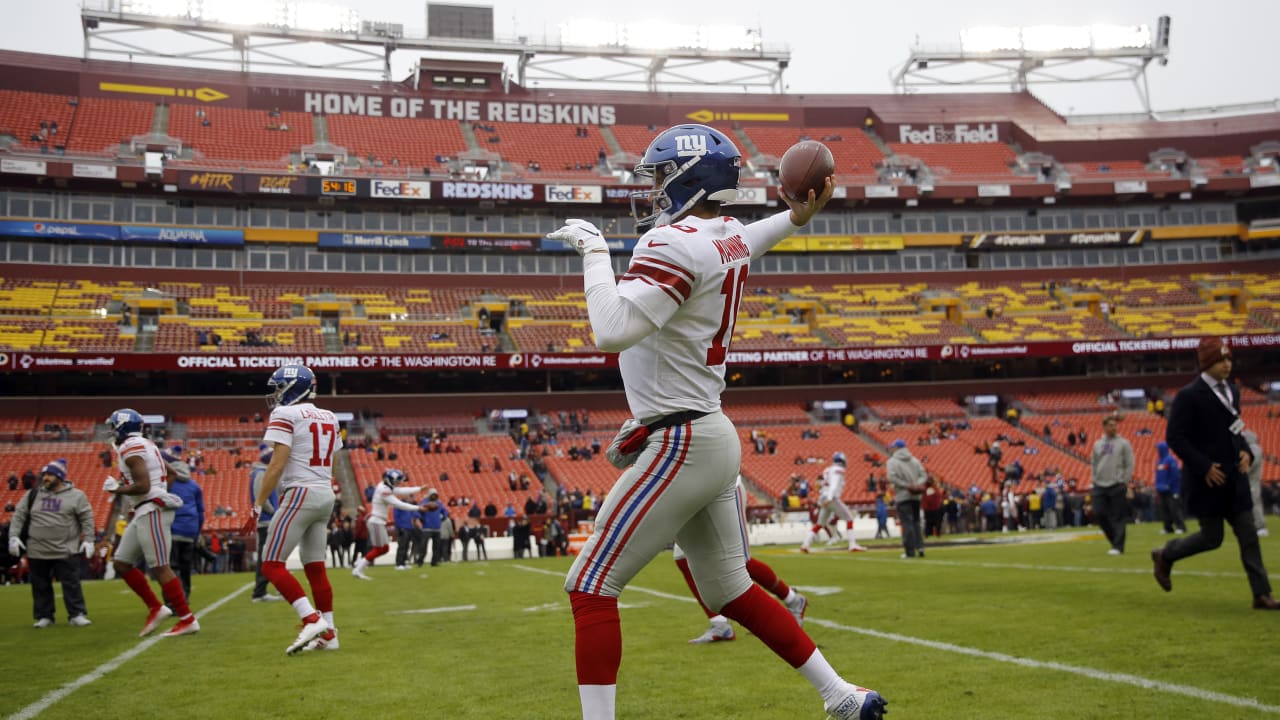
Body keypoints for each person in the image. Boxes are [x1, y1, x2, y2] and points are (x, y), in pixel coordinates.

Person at [547, 123, 886, 720]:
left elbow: (611, 330)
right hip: (705, 431)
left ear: (686, 176)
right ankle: (842, 694)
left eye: (658, 174)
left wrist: (594, 252)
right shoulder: (723, 235)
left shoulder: (671, 244)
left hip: (682, 440)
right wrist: (796, 217)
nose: (651, 187)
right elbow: (749, 239)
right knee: (730, 588)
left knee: (590, 585)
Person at [1153, 338, 1279, 609]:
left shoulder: (1232, 391)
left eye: (1229, 359)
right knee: (1212, 538)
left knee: (1249, 535)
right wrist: (1204, 466)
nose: (1227, 365)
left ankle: (1261, 594)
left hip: (1235, 478)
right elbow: (1175, 438)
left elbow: (1235, 426)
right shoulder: (1188, 396)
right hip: (1207, 480)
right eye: (1222, 360)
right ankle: (1166, 555)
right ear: (1208, 363)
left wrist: (1246, 450)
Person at [253, 365, 343, 652]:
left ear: (293, 387)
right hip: (324, 492)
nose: (276, 394)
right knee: (315, 566)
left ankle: (311, 618)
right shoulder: (329, 416)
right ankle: (330, 634)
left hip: (301, 493)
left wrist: (258, 502)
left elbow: (277, 464)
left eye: (280, 387)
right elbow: (335, 461)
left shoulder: (285, 413)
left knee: (271, 564)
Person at [676, 477, 808, 644]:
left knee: (740, 560)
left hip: (724, 487)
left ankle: (793, 599)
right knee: (682, 557)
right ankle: (719, 624)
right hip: (694, 492)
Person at [103, 409, 199, 637]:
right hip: (145, 509)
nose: (111, 431)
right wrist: (160, 491)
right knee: (121, 563)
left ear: (121, 427)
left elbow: (143, 485)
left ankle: (187, 619)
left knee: (160, 567)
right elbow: (172, 473)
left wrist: (118, 489)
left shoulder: (130, 447)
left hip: (152, 509)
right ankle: (156, 608)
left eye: (113, 426)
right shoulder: (146, 444)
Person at [9, 459, 95, 628]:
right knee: (40, 585)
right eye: (44, 475)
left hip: (65, 548)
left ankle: (76, 614)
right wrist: (13, 536)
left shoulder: (77, 496)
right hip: (37, 549)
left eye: (49, 475)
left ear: (59, 476)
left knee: (71, 583)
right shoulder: (32, 495)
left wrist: (90, 540)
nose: (45, 478)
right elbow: (19, 516)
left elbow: (87, 518)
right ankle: (44, 616)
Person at [352, 469, 425, 579]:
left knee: (383, 549)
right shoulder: (383, 490)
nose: (397, 484)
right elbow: (399, 504)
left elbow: (400, 490)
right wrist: (418, 508)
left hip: (378, 521)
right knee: (380, 549)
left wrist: (419, 489)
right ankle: (358, 569)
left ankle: (360, 563)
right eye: (396, 482)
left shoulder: (383, 485)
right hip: (376, 521)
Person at [800, 452, 868, 553]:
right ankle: (852, 544)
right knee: (849, 519)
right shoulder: (838, 470)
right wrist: (830, 497)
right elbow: (834, 484)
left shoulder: (828, 469)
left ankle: (805, 544)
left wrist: (825, 497)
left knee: (820, 524)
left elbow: (824, 484)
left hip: (823, 496)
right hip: (830, 498)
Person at [164, 447, 204, 602]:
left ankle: (172, 600)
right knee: (185, 566)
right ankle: (185, 597)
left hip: (172, 529)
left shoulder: (169, 483)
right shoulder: (194, 486)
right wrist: (197, 532)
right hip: (189, 530)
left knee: (171, 567)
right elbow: (201, 512)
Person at [1091, 414, 1134, 555]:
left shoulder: (1123, 443)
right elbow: (1094, 463)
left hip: (1117, 484)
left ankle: (1118, 546)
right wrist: (1094, 478)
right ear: (1104, 427)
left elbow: (1129, 463)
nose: (1113, 427)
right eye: (1110, 425)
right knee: (1099, 514)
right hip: (1100, 484)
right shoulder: (1098, 444)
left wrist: (1125, 480)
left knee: (1119, 517)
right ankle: (1114, 541)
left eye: (1115, 425)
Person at [248, 448, 283, 602]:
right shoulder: (261, 474)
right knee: (268, 556)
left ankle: (265, 589)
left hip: (267, 520)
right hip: (266, 521)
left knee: (271, 556)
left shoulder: (263, 472)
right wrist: (274, 512)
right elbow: (259, 496)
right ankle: (260, 592)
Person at [886, 440, 926, 558]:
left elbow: (892, 478)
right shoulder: (914, 460)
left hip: (903, 496)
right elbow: (923, 475)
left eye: (892, 447)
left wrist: (907, 485)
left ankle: (909, 551)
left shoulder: (892, 462)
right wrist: (916, 484)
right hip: (916, 496)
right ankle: (920, 547)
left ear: (897, 448)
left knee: (907, 523)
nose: (891, 449)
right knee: (916, 522)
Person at [1153, 441, 1186, 535]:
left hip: (1171, 490)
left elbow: (1175, 475)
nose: (1157, 451)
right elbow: (1158, 476)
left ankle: (1181, 527)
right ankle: (1168, 528)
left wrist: (1170, 486)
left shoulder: (1170, 460)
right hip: (1161, 490)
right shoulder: (1159, 461)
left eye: (1158, 449)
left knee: (1174, 509)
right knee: (1164, 510)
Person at [1243, 430, 1268, 537]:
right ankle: (1254, 525)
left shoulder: (1254, 449)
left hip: (1252, 481)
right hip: (1249, 481)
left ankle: (1260, 526)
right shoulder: (1252, 448)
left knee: (1254, 502)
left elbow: (1250, 465)